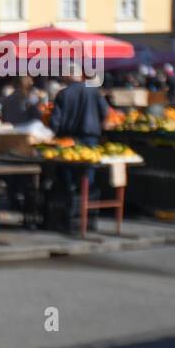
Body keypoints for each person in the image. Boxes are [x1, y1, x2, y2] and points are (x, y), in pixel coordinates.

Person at [48, 65, 109, 232]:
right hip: (91, 138)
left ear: (68, 76)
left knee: (68, 173)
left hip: (68, 140)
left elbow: (55, 121)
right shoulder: (93, 91)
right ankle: (86, 211)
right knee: (88, 174)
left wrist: (50, 136)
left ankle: (71, 209)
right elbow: (105, 113)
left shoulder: (63, 94)